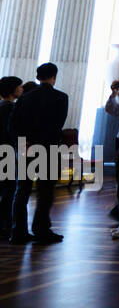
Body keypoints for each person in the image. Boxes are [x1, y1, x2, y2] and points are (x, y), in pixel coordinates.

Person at [9, 62, 69, 244]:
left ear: (37, 77)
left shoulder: (25, 98)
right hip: (49, 148)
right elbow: (58, 124)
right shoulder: (61, 97)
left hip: (26, 148)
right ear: (54, 77)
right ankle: (42, 230)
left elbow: (12, 125)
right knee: (45, 192)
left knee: (22, 189)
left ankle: (18, 232)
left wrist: (24, 142)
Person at [0, 76, 21, 239]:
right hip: (7, 151)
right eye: (19, 87)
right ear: (12, 90)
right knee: (9, 189)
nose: (21, 89)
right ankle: (5, 225)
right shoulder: (11, 108)